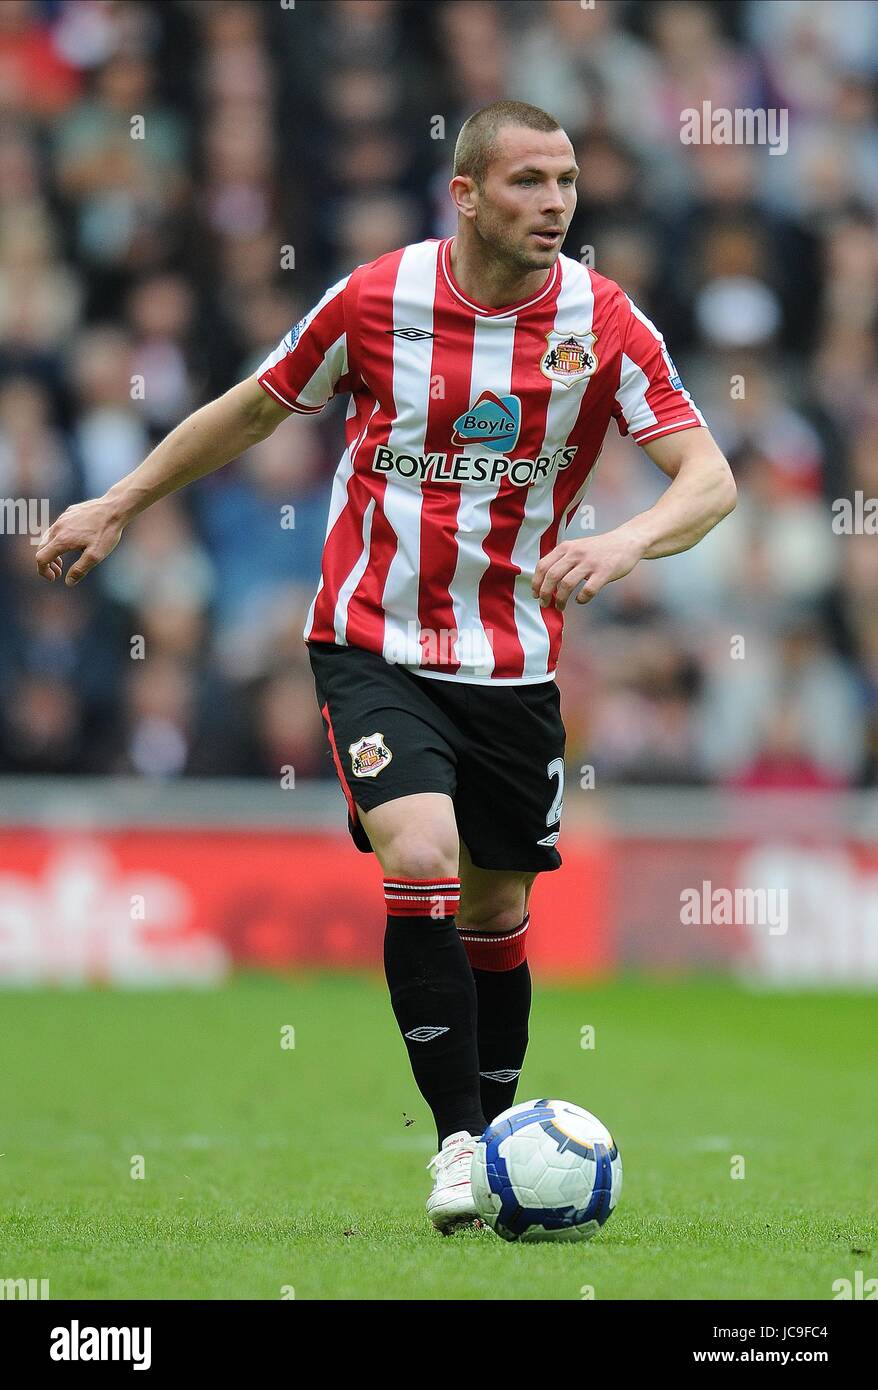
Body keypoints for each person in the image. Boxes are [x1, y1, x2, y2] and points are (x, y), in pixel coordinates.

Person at [36, 101, 736, 1233]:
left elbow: (707, 478)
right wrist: (120, 503)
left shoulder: (600, 321)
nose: (554, 202)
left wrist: (620, 540)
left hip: (512, 662)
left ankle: (497, 1138)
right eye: (526, 182)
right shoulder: (377, 300)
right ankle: (458, 1147)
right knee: (421, 850)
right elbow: (250, 411)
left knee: (498, 906)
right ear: (464, 195)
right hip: (372, 639)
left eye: (564, 181)